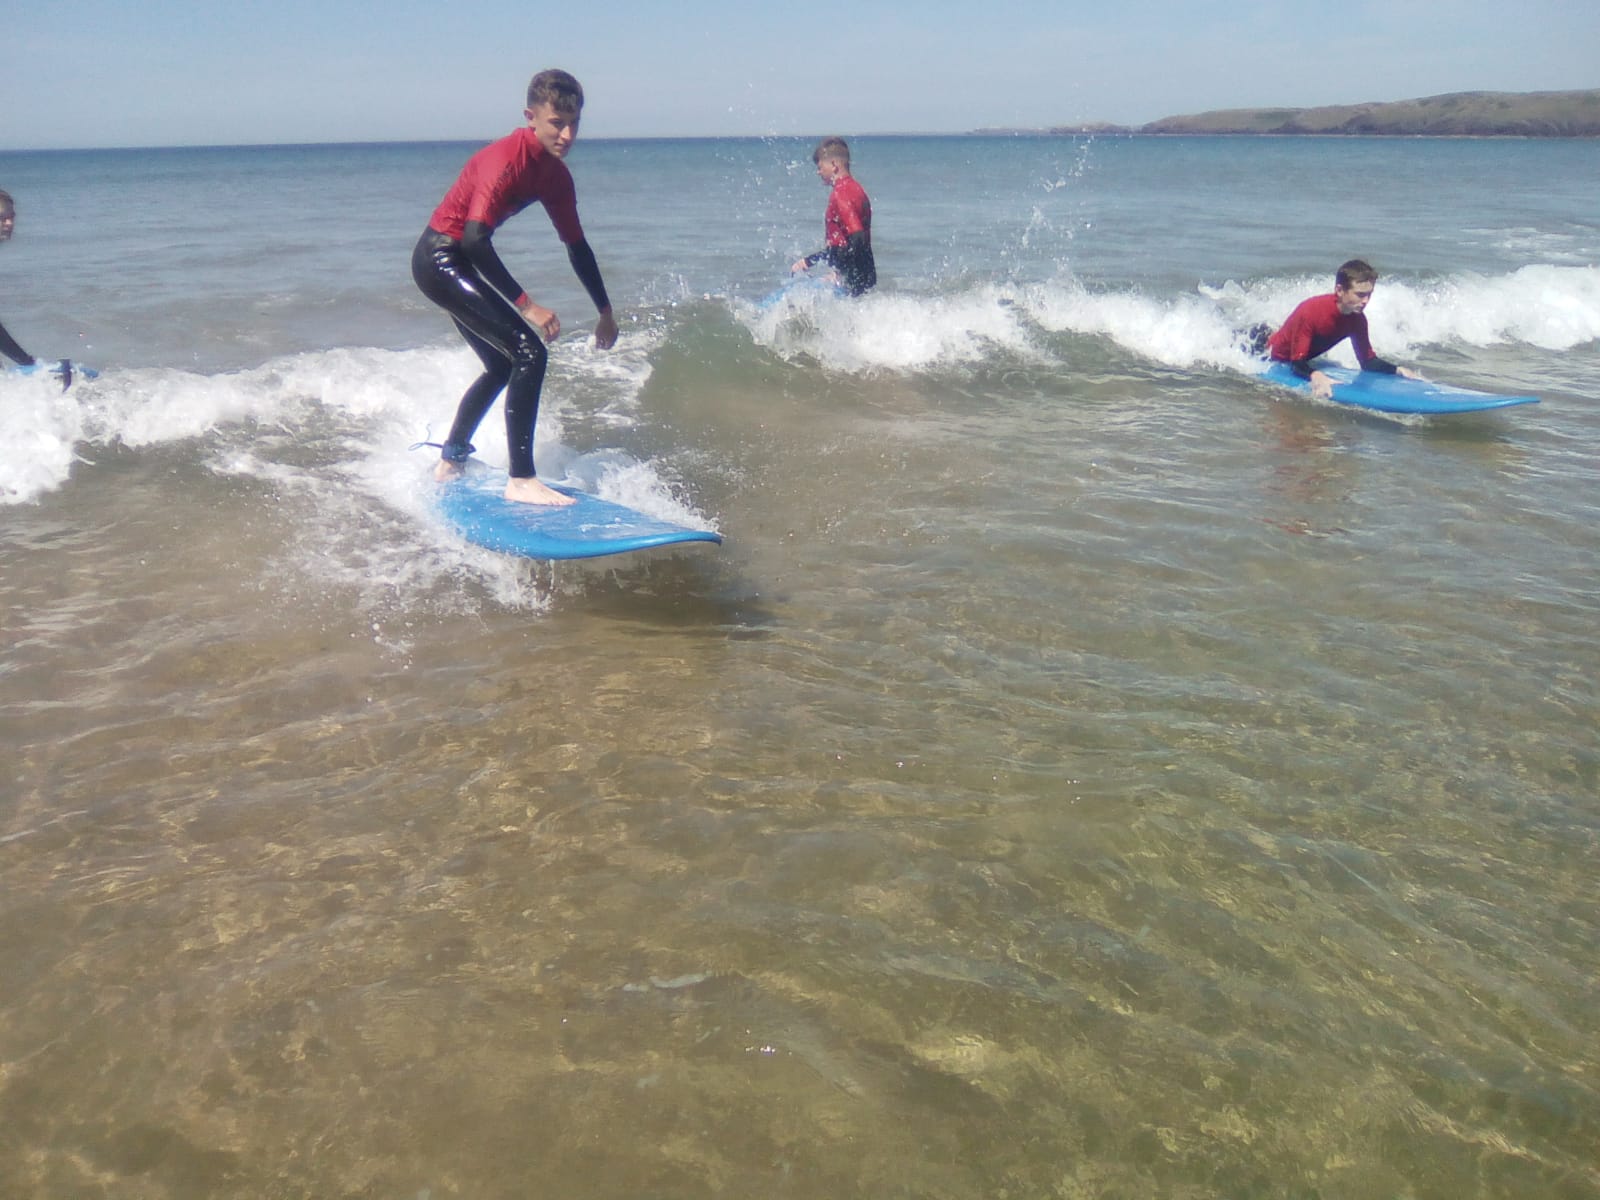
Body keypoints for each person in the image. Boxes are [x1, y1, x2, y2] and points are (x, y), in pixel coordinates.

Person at [412, 69, 617, 507]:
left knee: (503, 365)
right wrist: (528, 306)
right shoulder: (505, 160)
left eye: (574, 123)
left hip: (460, 263)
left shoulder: (555, 177)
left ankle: (450, 460)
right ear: (531, 117)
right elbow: (473, 239)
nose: (566, 134)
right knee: (529, 351)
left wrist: (604, 310)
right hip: (439, 260)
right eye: (556, 123)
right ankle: (521, 479)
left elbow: (577, 247)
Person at [1253, 259, 1420, 400]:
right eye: (1360, 294)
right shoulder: (1311, 311)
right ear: (1340, 290)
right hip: (1262, 350)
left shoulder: (1358, 320)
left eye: (1369, 294)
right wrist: (1315, 375)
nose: (1366, 301)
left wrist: (1398, 370)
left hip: (1294, 354)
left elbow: (1368, 362)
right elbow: (1297, 362)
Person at [790, 137, 876, 297]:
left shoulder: (841, 193)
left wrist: (840, 275)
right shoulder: (856, 189)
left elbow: (857, 238)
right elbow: (847, 244)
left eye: (820, 166)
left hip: (852, 280)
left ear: (834, 165)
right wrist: (810, 261)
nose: (818, 172)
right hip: (865, 274)